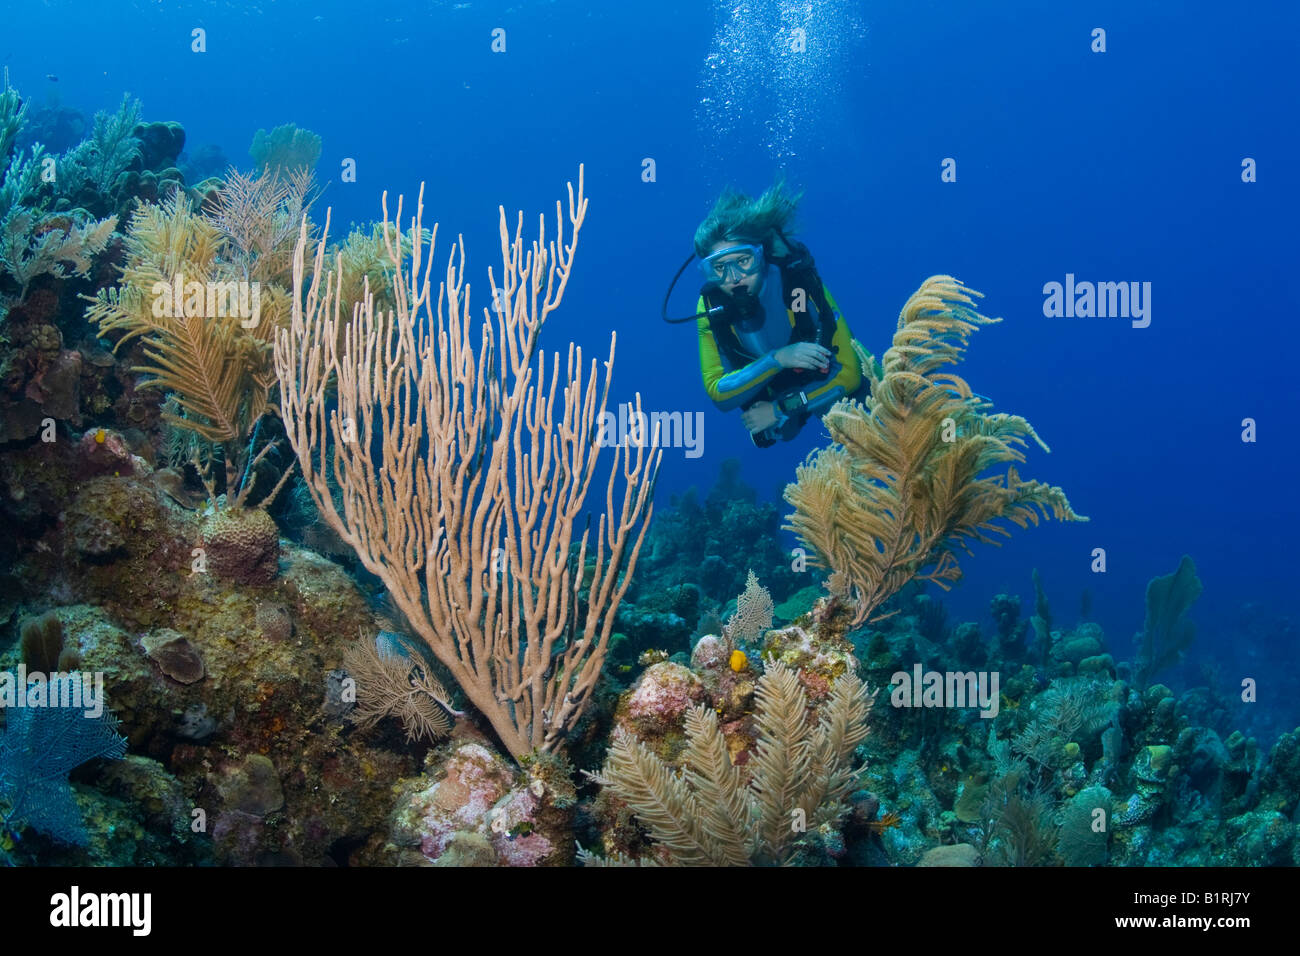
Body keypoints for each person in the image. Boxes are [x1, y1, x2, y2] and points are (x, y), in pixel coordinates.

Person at [690, 179, 872, 446]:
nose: (734, 278)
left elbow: (850, 373)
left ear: (760, 255)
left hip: (833, 382)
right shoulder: (709, 308)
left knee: (884, 420)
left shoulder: (796, 278)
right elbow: (718, 393)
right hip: (779, 390)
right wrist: (778, 359)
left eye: (743, 261)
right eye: (719, 268)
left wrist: (779, 410)